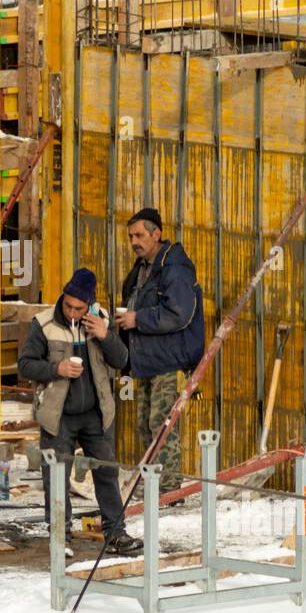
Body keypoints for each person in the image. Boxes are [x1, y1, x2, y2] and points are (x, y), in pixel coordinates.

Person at [18, 268, 140, 556]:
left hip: (96, 414)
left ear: (90, 305)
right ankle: (61, 537)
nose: (72, 312)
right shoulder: (44, 324)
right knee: (57, 476)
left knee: (107, 473)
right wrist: (56, 369)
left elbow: (122, 360)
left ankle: (116, 534)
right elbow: (25, 365)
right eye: (68, 305)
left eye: (79, 308)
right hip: (58, 416)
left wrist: (105, 335)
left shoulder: (102, 321)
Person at [117, 208, 205, 493]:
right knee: (146, 422)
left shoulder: (174, 269)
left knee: (162, 423)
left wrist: (137, 319)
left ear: (157, 234)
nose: (134, 241)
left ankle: (168, 486)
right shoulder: (143, 268)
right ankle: (154, 479)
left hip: (169, 359)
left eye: (139, 235)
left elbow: (178, 314)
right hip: (148, 359)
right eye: (131, 235)